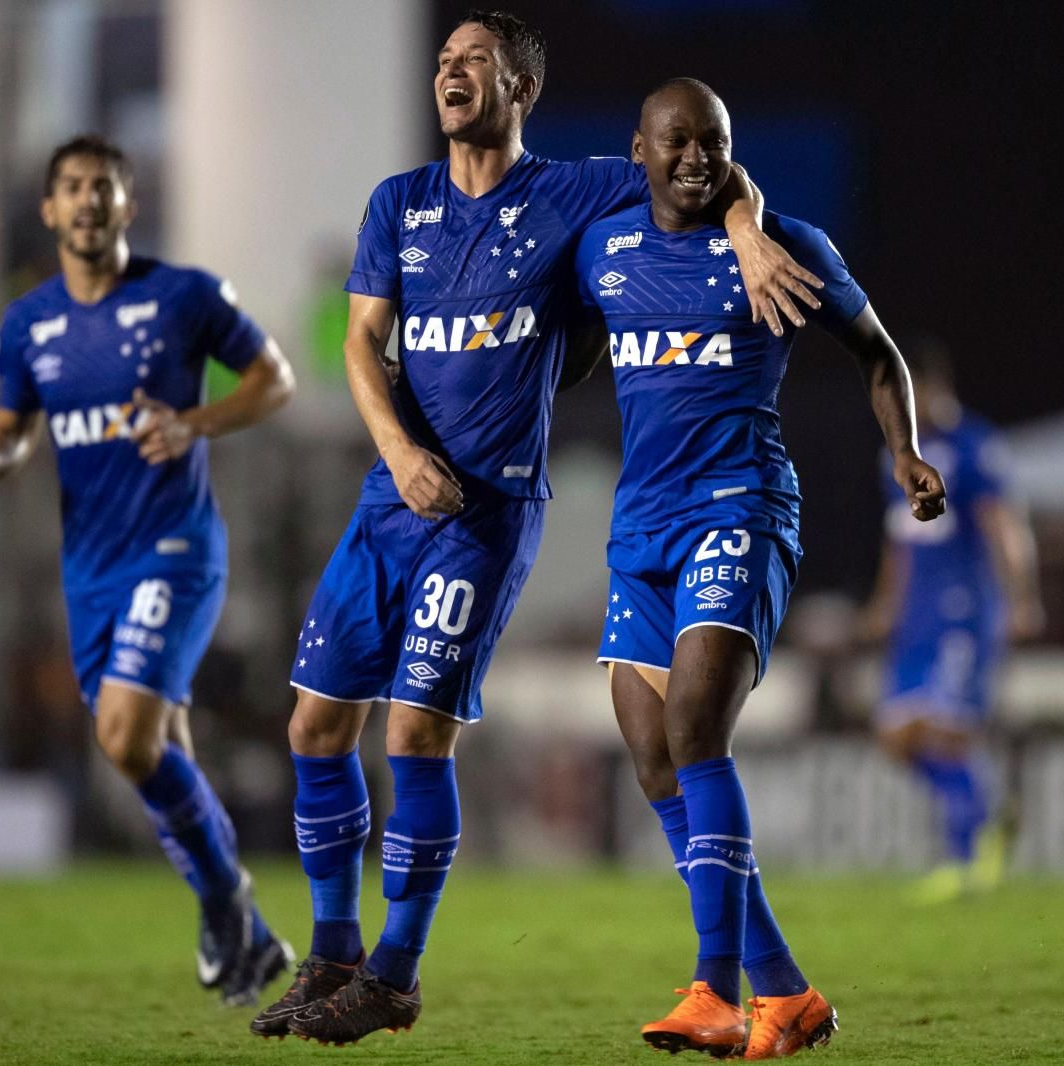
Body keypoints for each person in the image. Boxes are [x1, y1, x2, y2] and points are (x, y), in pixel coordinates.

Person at [258, 11, 823, 1046]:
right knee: (311, 724)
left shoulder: (576, 191)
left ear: (520, 86)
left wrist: (743, 227)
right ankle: (332, 949)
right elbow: (361, 342)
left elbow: (697, 163)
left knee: (413, 731)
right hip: (390, 499)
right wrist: (395, 451)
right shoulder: (399, 203)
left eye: (474, 62)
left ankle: (395, 971)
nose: (450, 75)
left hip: (486, 510)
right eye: (443, 62)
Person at [576, 78, 945, 1059]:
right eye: (676, 142)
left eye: (713, 143)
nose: (694, 158)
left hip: (737, 506)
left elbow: (878, 354)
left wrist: (901, 452)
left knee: (697, 726)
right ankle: (786, 991)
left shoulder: (787, 249)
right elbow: (558, 341)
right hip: (640, 525)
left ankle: (717, 987)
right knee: (654, 756)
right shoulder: (602, 249)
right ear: (639, 151)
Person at [0, 134, 295, 1004]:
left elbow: (273, 380)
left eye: (104, 187)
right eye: (71, 189)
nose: (88, 202)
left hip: (175, 548)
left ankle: (224, 901)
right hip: (90, 567)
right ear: (50, 211)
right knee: (162, 748)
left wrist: (192, 423)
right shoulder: (28, 322)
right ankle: (238, 927)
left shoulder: (183, 296)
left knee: (124, 737)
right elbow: (15, 429)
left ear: (129, 205)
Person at [862, 336, 1042, 902]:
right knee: (895, 736)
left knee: (948, 736)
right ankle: (990, 813)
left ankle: (967, 861)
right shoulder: (896, 456)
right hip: (916, 617)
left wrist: (1020, 597)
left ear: (939, 388)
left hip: (964, 611)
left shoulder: (972, 446)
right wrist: (885, 606)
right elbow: (901, 541)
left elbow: (1002, 526)